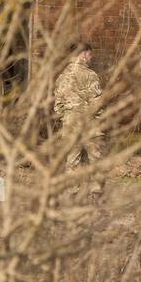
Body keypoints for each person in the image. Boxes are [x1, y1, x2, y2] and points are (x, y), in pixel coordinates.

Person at [53, 42, 105, 196]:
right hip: (90, 122)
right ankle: (96, 194)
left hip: (70, 122)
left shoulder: (62, 77)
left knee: (72, 160)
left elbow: (57, 105)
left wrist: (67, 117)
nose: (91, 57)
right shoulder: (90, 75)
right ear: (82, 54)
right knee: (95, 159)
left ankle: (72, 194)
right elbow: (97, 102)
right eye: (89, 54)